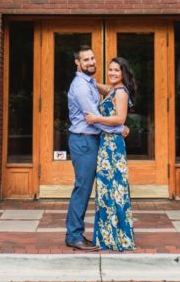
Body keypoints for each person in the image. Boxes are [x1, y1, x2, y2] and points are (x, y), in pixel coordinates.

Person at [64, 45, 126, 251]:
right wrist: (120, 128)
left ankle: (77, 233)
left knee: (85, 188)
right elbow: (93, 119)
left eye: (92, 58)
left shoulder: (88, 82)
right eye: (86, 60)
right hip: (83, 140)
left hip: (90, 141)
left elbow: (111, 90)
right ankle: (74, 236)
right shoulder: (81, 86)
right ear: (77, 63)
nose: (91, 62)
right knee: (82, 188)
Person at [85, 57, 136, 251]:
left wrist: (96, 118)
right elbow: (100, 86)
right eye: (110, 69)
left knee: (114, 190)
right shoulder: (112, 90)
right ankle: (108, 237)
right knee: (106, 190)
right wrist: (85, 78)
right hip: (106, 144)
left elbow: (120, 118)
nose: (112, 73)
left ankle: (118, 238)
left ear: (123, 73)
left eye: (116, 70)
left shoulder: (121, 92)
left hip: (113, 147)